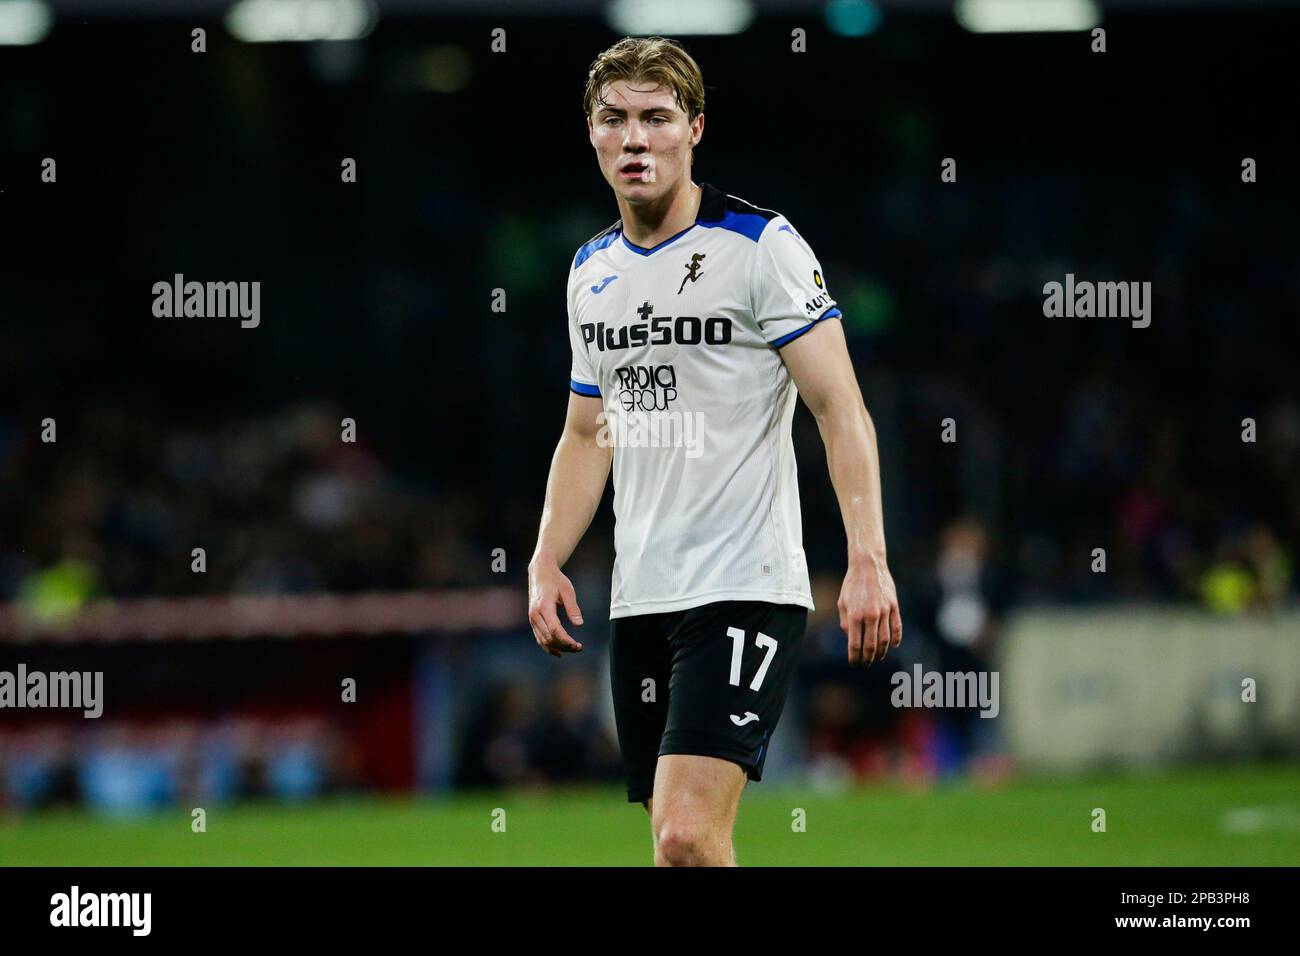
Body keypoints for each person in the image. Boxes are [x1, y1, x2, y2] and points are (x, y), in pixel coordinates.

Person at [527, 36, 902, 866]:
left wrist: (867, 556)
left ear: (694, 128)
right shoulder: (589, 272)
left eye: (656, 118)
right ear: (590, 133)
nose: (635, 139)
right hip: (640, 596)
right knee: (681, 851)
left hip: (742, 583)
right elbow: (588, 433)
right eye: (614, 119)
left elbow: (841, 409)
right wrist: (548, 555)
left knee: (687, 838)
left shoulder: (762, 247)